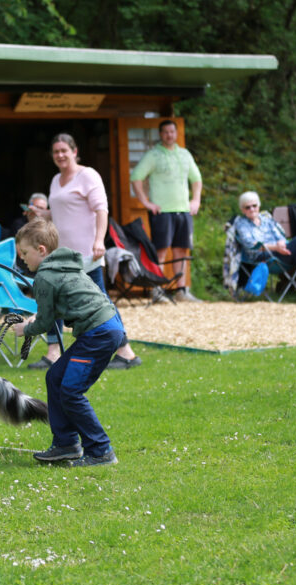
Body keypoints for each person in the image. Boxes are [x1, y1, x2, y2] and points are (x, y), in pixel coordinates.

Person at [11, 219, 123, 467]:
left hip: (99, 333)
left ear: (41, 250)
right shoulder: (65, 266)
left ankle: (101, 450)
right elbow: (59, 306)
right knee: (55, 378)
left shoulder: (45, 277)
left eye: (25, 254)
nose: (22, 260)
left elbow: (45, 324)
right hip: (105, 327)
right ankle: (66, 444)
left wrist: (25, 328)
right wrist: (38, 317)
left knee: (71, 391)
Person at [25, 132, 142, 371]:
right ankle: (53, 352)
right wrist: (40, 214)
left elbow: (102, 210)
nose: (60, 155)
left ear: (74, 151)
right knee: (53, 299)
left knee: (100, 301)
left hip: (86, 254)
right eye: (56, 152)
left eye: (64, 151)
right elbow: (57, 214)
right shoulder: (56, 180)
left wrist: (100, 241)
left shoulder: (88, 175)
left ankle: (126, 352)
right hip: (60, 257)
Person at [129, 120, 203, 302]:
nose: (169, 135)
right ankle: (157, 290)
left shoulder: (184, 154)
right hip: (162, 212)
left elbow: (197, 178)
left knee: (181, 251)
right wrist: (146, 202)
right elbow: (136, 177)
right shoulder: (153, 155)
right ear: (160, 134)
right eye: (165, 132)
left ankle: (182, 290)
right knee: (160, 252)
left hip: (183, 210)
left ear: (176, 133)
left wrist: (196, 199)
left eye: (172, 131)